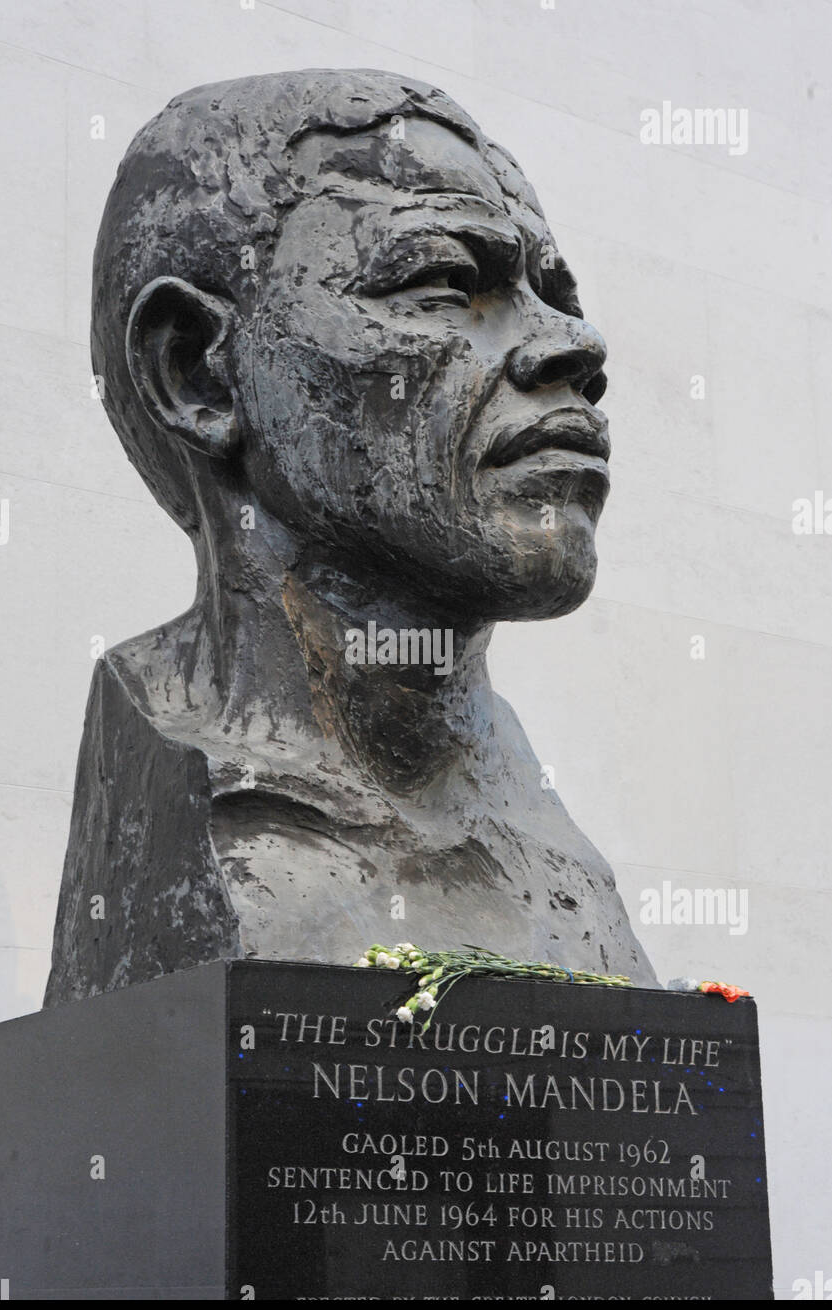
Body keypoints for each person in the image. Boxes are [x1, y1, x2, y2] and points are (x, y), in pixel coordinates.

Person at [44, 69, 657, 1004]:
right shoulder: (186, 791)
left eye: (554, 293)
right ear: (197, 374)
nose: (575, 346)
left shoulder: (556, 855)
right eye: (443, 283)